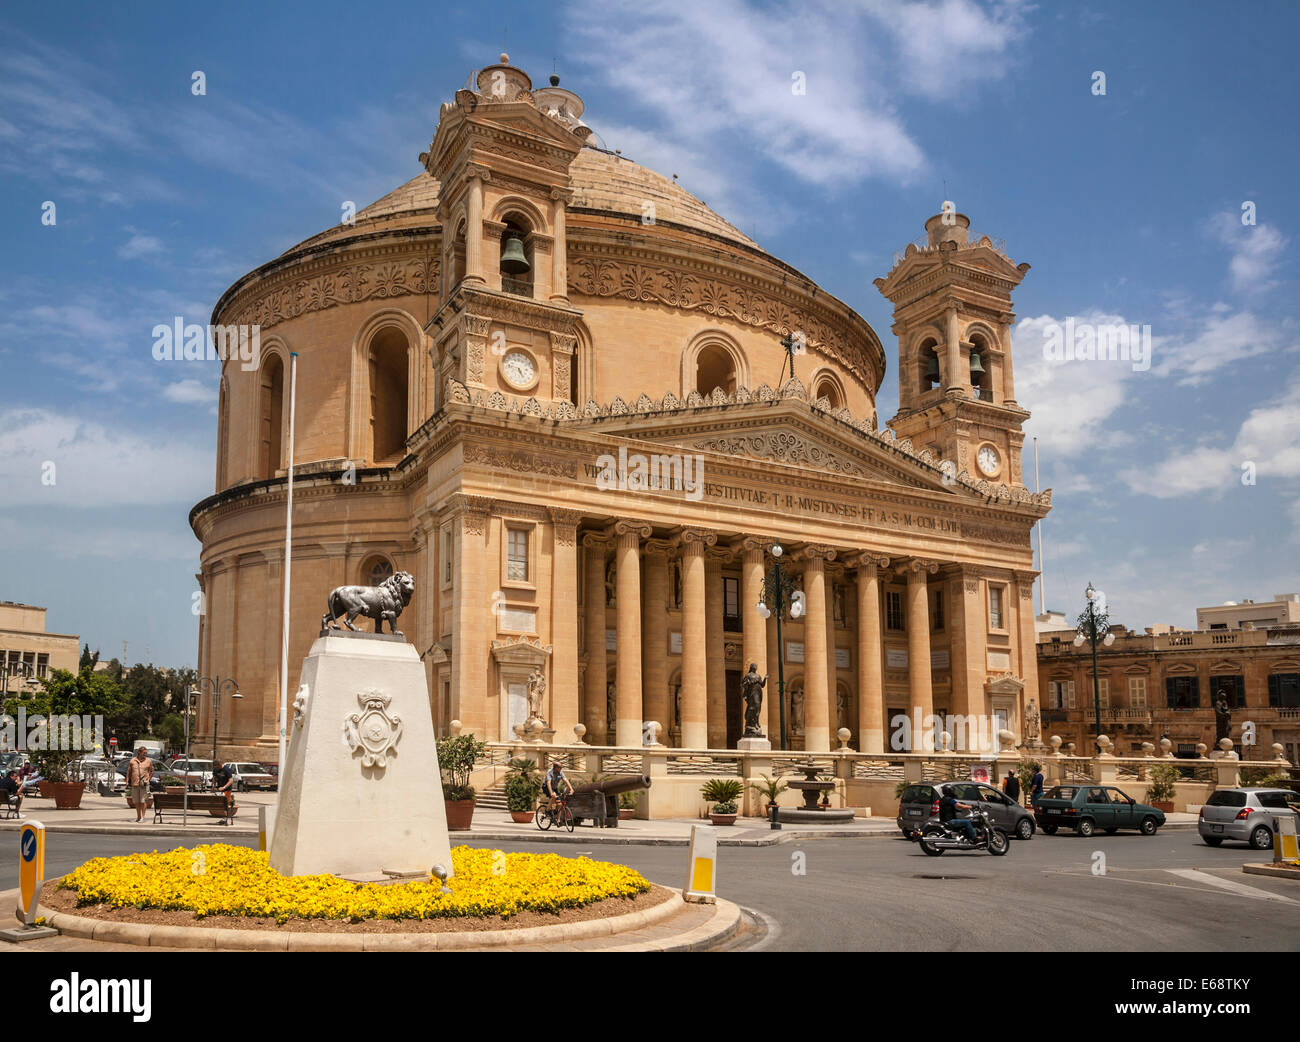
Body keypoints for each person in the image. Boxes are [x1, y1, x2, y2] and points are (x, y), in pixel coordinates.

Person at [126, 746, 153, 822]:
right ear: (139, 752)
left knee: (143, 801)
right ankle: (138, 816)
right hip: (135, 783)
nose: (145, 754)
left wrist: (148, 779)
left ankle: (143, 817)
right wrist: (127, 781)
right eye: (144, 753)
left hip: (144, 784)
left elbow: (152, 771)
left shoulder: (148, 761)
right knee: (136, 801)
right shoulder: (132, 761)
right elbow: (129, 772)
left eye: (146, 753)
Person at [211, 759, 234, 825]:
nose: (216, 768)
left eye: (217, 767)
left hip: (227, 790)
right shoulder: (215, 769)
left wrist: (224, 787)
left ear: (220, 764)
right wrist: (213, 786)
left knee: (225, 804)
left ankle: (225, 818)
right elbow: (214, 778)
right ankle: (224, 818)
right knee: (220, 804)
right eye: (215, 767)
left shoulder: (227, 770)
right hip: (219, 789)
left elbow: (231, 780)